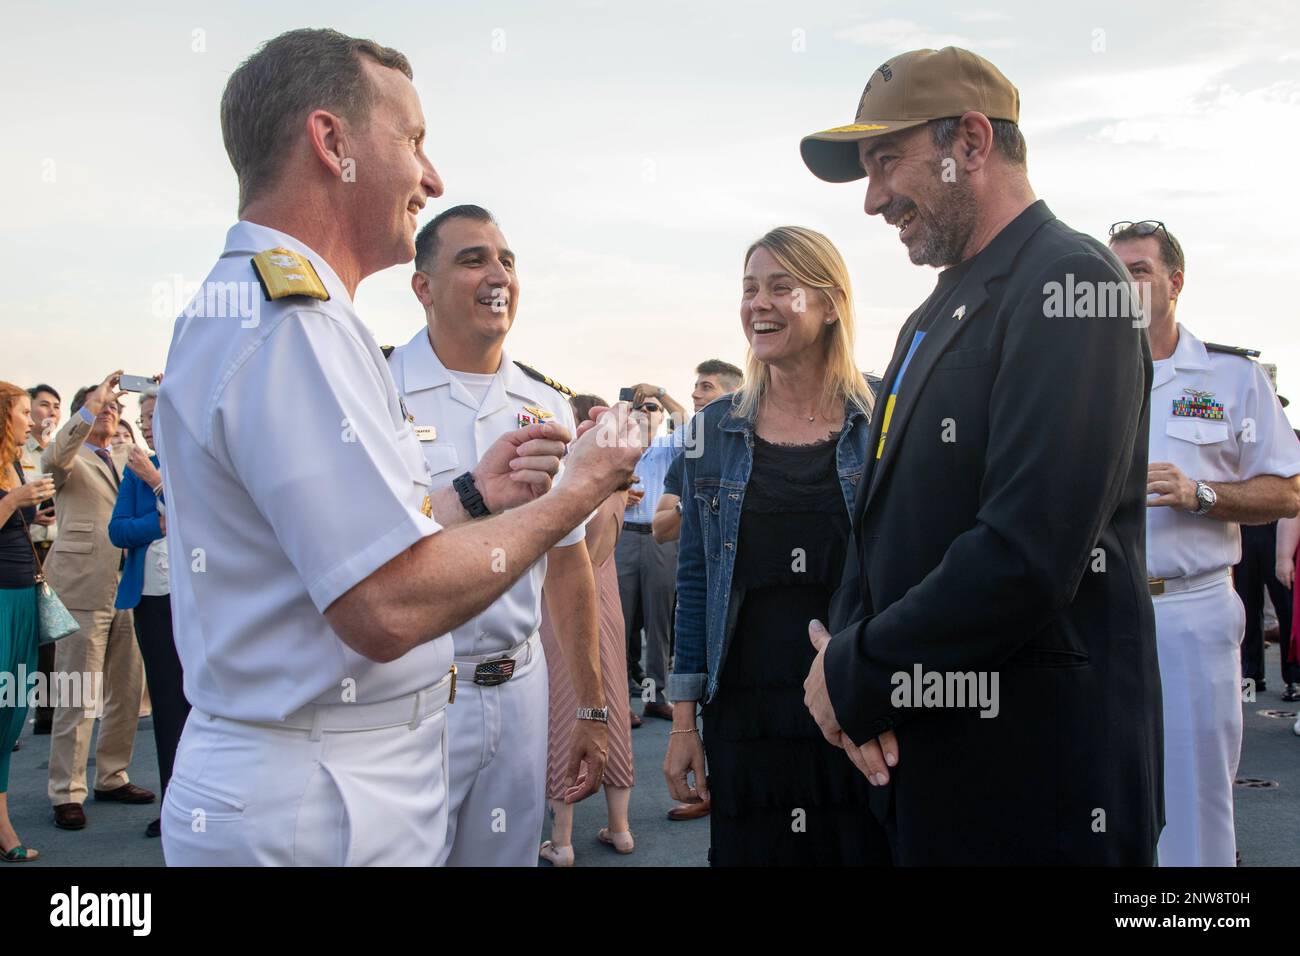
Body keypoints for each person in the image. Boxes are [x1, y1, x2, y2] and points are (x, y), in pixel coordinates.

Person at [154, 28, 640, 866]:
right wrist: (578, 491)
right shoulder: (292, 325)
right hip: (322, 794)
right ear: (330, 141)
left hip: (331, 768)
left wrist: (472, 500)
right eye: (412, 139)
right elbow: (383, 606)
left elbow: (337, 547)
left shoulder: (277, 312)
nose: (432, 175)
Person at [798, 47, 1161, 864]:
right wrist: (842, 677)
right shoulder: (938, 308)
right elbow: (884, 519)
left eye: (886, 160)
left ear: (970, 140)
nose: (873, 199)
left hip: (1040, 785)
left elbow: (1026, 552)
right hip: (937, 762)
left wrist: (857, 675)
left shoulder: (1072, 283)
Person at [385, 204, 609, 866]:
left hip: (517, 691)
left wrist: (592, 710)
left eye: (507, 260)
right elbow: (362, 548)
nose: (497, 275)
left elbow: (568, 567)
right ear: (422, 287)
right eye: (472, 259)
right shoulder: (378, 389)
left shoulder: (541, 402)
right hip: (408, 695)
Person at [665, 225, 888, 866]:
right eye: (748, 289)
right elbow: (696, 581)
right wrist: (683, 724)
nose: (758, 303)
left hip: (858, 695)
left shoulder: (884, 419)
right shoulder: (712, 428)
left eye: (780, 288)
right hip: (747, 711)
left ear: (831, 305)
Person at [1109, 221, 1300, 866]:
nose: (1123, 285)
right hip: (1097, 610)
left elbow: (1288, 490)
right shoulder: (1082, 375)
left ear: (1175, 282)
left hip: (1190, 610)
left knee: (1194, 799)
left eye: (1138, 270)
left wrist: (1204, 495)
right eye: (1113, 273)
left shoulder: (1230, 377)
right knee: (1098, 792)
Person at [42, 374, 151, 831]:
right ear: (79, 415)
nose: (110, 412)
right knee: (77, 694)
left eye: (113, 408)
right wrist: (92, 405)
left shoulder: (132, 455)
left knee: (126, 692)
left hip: (129, 587)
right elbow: (53, 456)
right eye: (99, 407)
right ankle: (66, 790)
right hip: (82, 586)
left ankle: (112, 775)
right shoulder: (69, 458)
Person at [539, 393, 638, 865]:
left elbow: (588, 551)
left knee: (565, 712)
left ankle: (561, 840)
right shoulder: (619, 488)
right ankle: (620, 829)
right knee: (613, 707)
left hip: (565, 613)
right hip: (608, 609)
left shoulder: (570, 487)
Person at [108, 383, 188, 839]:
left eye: (154, 416)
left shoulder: (200, 461)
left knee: (203, 702)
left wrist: (163, 490)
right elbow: (117, 531)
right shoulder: (136, 472)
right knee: (166, 704)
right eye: (142, 420)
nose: (147, 428)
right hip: (154, 601)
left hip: (201, 600)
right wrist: (153, 521)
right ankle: (172, 803)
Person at [0, 382, 57, 861]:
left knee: (10, 714)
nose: (31, 421)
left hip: (22, 597)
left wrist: (33, 515)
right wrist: (12, 500)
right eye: (23, 412)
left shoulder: (16, 464)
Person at [617, 385, 686, 720]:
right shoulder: (614, 448)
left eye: (653, 408)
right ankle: (617, 703)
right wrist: (616, 494)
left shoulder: (668, 447)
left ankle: (655, 697)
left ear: (662, 417)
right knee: (619, 624)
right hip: (623, 536)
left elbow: (692, 427)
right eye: (640, 407)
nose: (646, 411)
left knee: (659, 623)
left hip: (660, 539)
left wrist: (661, 391)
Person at [651, 360, 744, 546]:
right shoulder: (686, 460)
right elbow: (660, 530)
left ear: (733, 395)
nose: (695, 394)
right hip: (700, 568)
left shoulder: (755, 453)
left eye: (706, 387)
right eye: (696, 387)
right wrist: (694, 502)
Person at [19, 384, 59, 735]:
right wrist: (33, 517)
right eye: (43, 404)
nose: (50, 412)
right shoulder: (17, 453)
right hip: (26, 552)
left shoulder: (62, 452)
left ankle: (47, 714)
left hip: (57, 554)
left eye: (56, 406)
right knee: (18, 639)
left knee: (52, 639)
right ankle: (11, 721)